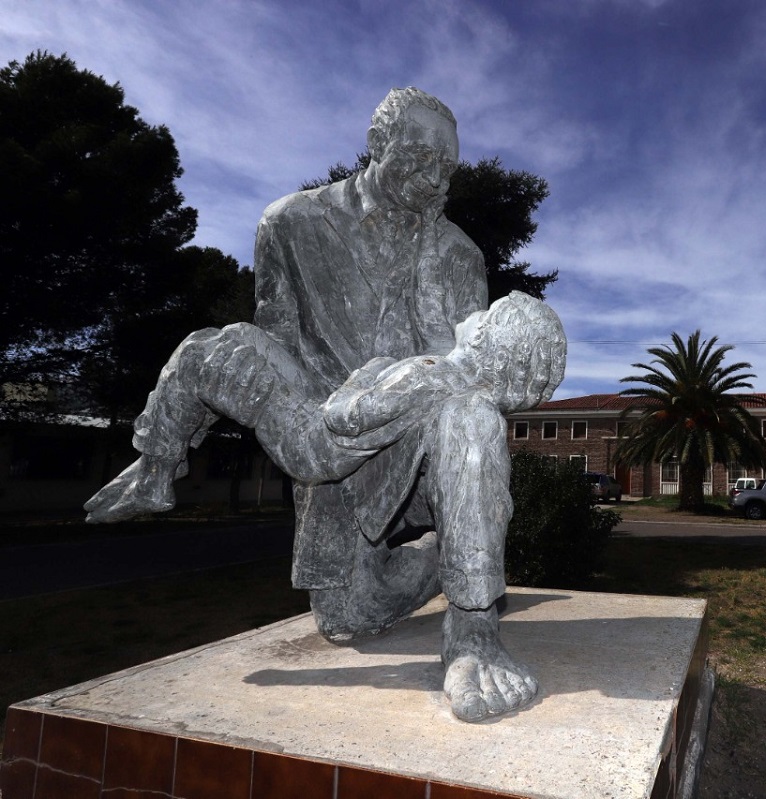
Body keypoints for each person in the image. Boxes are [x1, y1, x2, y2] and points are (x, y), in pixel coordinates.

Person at [86, 88, 554, 722]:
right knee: (349, 620)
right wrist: (163, 451)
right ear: (378, 144)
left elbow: (473, 368)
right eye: (420, 156)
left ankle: (473, 634)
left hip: (429, 434)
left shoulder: (462, 256)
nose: (435, 176)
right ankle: (444, 556)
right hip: (328, 432)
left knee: (468, 412)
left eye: (449, 167)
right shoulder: (291, 224)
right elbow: (267, 350)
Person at [87, 292, 565, 720]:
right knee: (348, 619)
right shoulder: (422, 372)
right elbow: (344, 413)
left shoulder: (451, 391)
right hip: (314, 445)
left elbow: (350, 415)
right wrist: (368, 399)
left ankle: (472, 628)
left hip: (319, 444)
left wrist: (373, 405)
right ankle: (155, 470)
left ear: (491, 340)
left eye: (488, 315)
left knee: (472, 421)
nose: (475, 313)